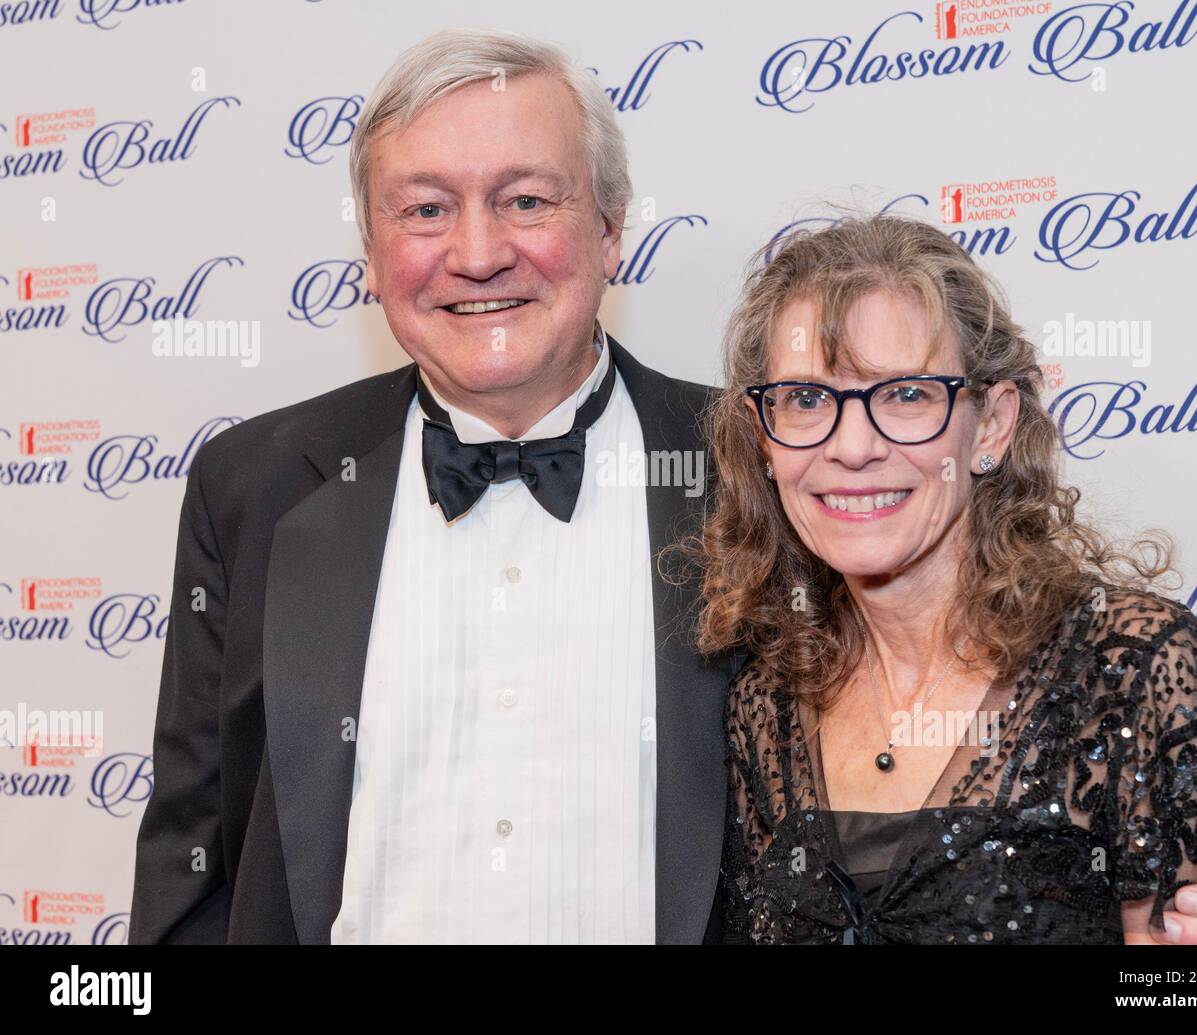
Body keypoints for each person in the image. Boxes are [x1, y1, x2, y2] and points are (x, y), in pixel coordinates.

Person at [127, 28, 740, 945]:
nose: (479, 252)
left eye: (526, 199)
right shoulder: (250, 487)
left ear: (611, 227)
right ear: (370, 255)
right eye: (423, 211)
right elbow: (193, 858)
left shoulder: (758, 472)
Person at [684, 212, 1197, 944]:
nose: (851, 446)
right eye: (809, 399)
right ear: (764, 437)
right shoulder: (764, 701)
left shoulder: (1128, 669)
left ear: (994, 424)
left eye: (906, 393)